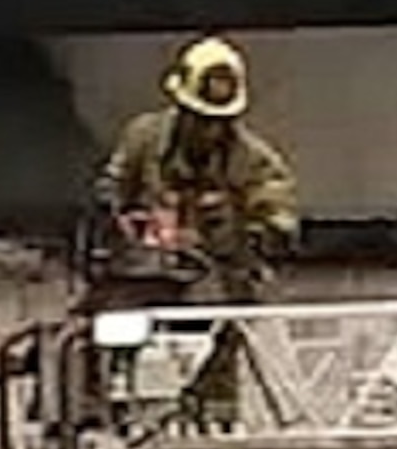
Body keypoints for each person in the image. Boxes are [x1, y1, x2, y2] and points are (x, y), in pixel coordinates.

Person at [92, 37, 300, 301]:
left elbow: (281, 224)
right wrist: (126, 223)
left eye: (220, 121)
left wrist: (237, 235)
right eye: (200, 119)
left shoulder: (256, 162)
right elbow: (110, 189)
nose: (210, 131)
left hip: (223, 289)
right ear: (180, 108)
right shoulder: (143, 138)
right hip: (142, 282)